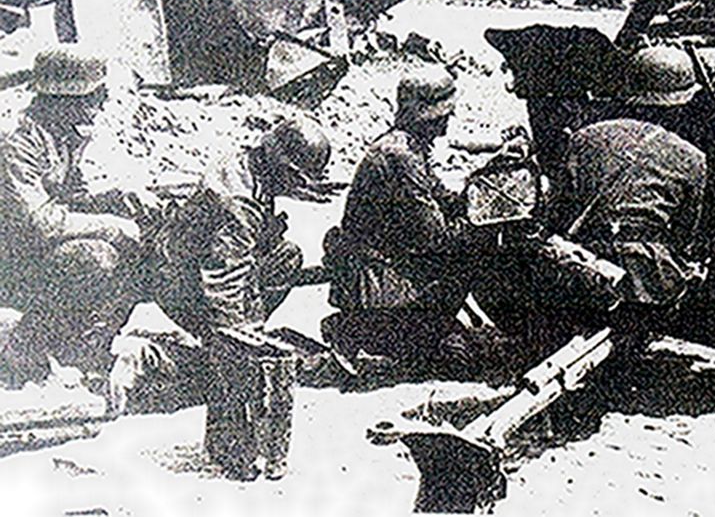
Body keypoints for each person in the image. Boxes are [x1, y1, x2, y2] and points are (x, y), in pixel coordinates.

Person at [146, 116, 332, 479]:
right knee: (236, 347)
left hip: (193, 261)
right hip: (182, 283)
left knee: (286, 256)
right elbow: (223, 282)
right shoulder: (238, 205)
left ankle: (241, 335)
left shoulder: (250, 162)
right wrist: (241, 342)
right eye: (297, 179)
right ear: (283, 168)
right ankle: (231, 437)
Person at [0, 46, 149, 389]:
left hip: (29, 254)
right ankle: (25, 348)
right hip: (10, 264)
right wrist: (114, 226)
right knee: (94, 256)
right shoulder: (16, 141)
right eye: (93, 97)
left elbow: (73, 200)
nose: (100, 106)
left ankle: (85, 351)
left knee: (138, 247)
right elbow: (41, 223)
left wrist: (120, 200)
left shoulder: (63, 134)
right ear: (61, 99)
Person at [323, 66, 474, 370]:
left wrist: (478, 194)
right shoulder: (400, 157)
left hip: (383, 265)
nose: (447, 122)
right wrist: (477, 228)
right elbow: (434, 237)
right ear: (425, 116)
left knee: (454, 352)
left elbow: (441, 197)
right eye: (442, 115)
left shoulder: (407, 146)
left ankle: (413, 334)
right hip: (373, 276)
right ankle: (361, 331)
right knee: (470, 255)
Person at [548, 44, 708, 313]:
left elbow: (561, 208)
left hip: (578, 266)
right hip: (646, 279)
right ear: (683, 103)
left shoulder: (585, 137)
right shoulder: (692, 157)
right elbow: (684, 236)